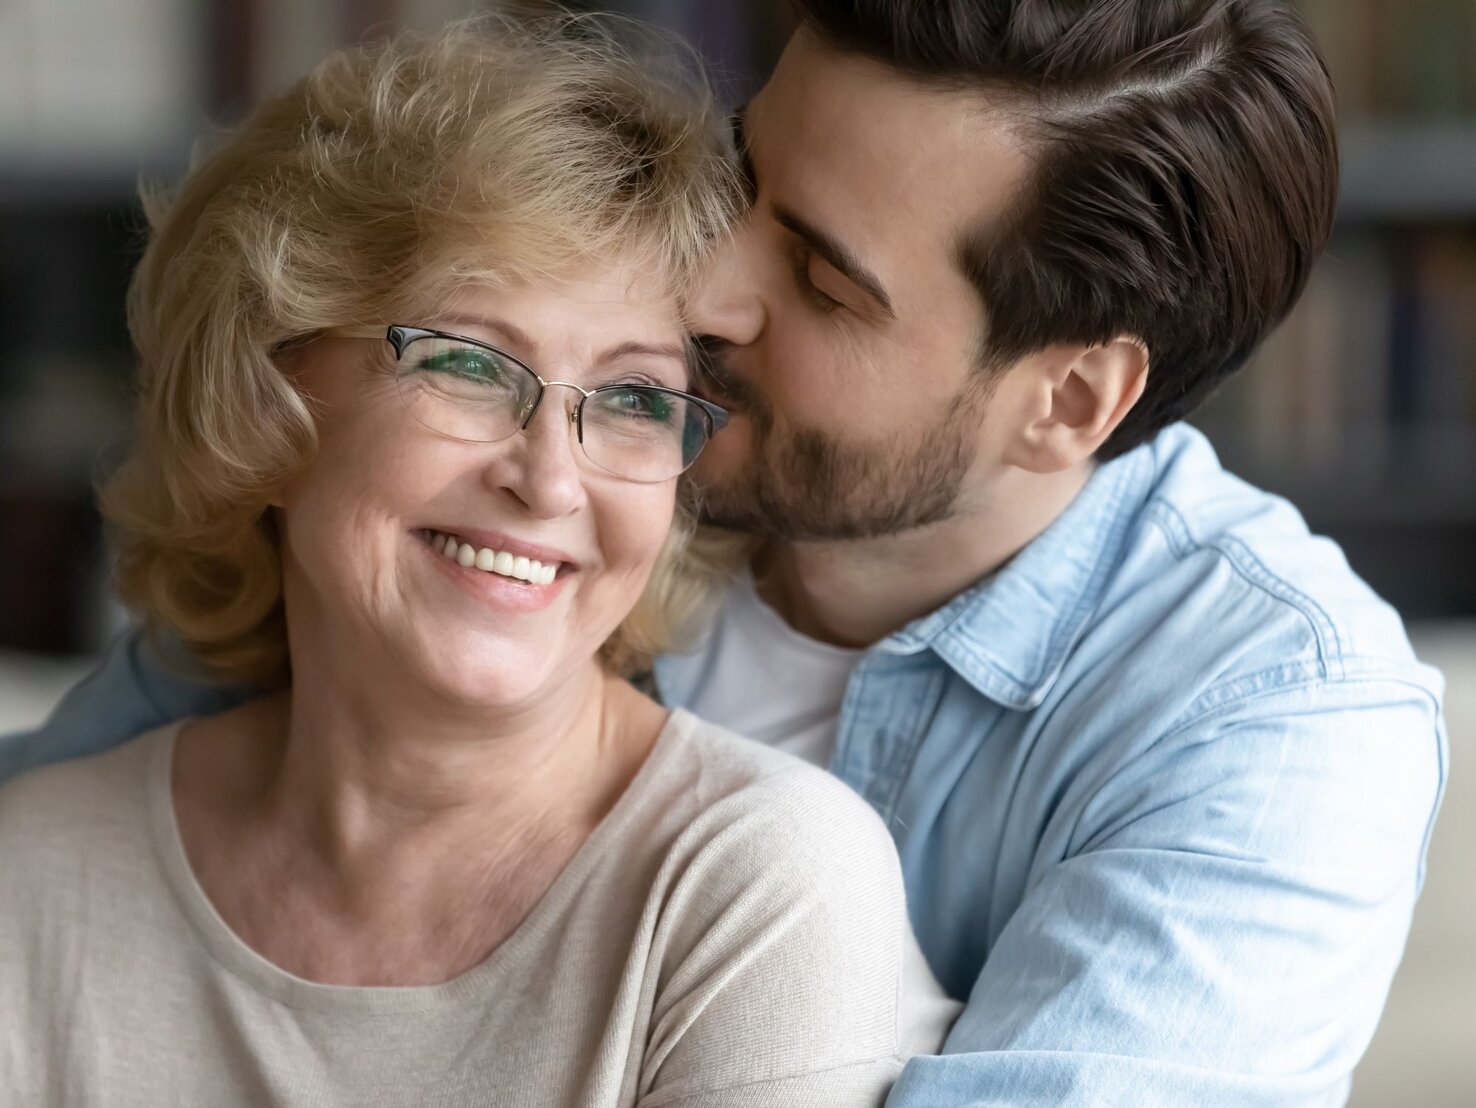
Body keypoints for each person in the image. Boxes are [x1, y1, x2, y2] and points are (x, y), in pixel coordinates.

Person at [0, 2, 1449, 1105]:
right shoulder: (588, 447)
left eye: (821, 276)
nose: (709, 286)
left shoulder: (1270, 717)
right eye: (747, 177)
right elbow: (98, 833)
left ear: (1066, 401)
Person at [0, 18, 960, 1106]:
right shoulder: (35, 871)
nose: (551, 480)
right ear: (269, 390)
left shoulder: (756, 885)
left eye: (637, 399)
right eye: (466, 360)